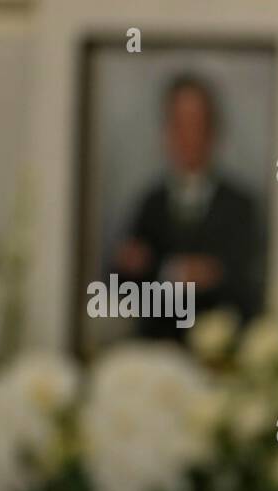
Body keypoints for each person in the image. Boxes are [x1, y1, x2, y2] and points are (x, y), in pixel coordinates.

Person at [110, 73, 264, 341]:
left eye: (196, 125)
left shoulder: (241, 206)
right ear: (166, 132)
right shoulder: (150, 203)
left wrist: (214, 275)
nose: (187, 136)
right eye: (179, 125)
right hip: (157, 347)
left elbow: (249, 282)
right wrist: (130, 267)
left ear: (213, 131)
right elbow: (125, 288)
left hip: (221, 350)